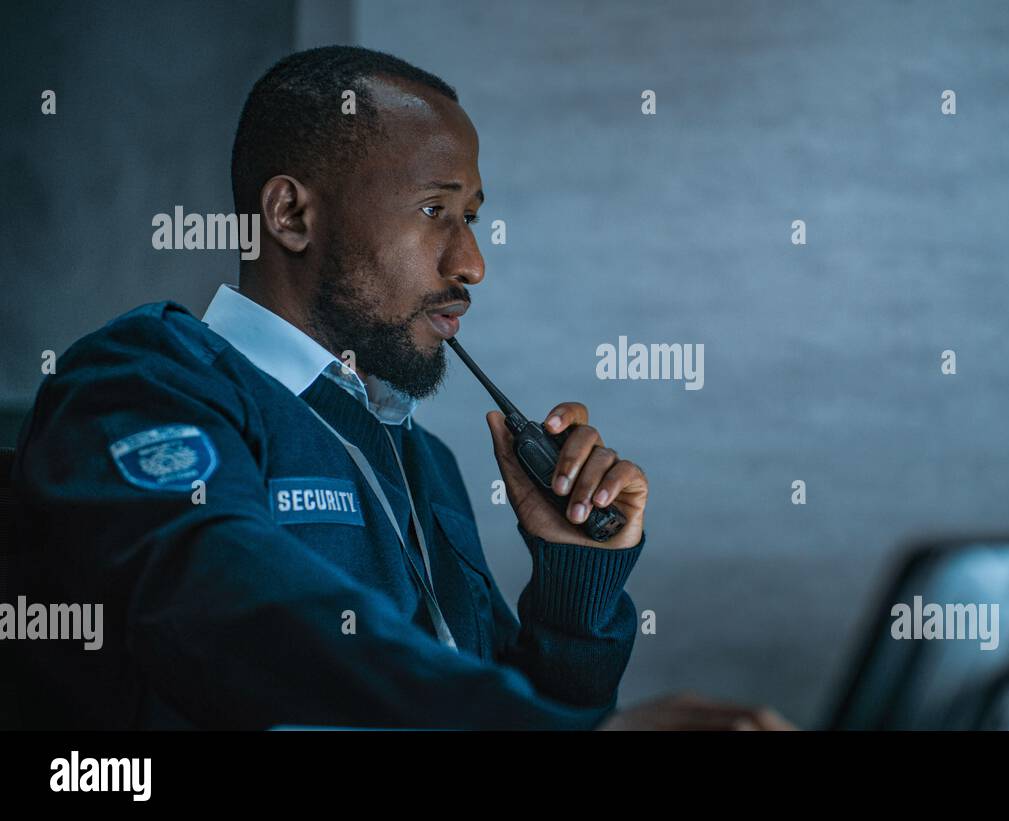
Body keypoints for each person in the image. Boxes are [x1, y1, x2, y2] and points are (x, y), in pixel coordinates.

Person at [11, 45, 793, 731]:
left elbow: (507, 704)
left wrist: (572, 583)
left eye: (474, 219)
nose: (472, 264)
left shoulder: (428, 461)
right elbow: (225, 609)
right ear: (289, 214)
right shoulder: (147, 379)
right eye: (434, 210)